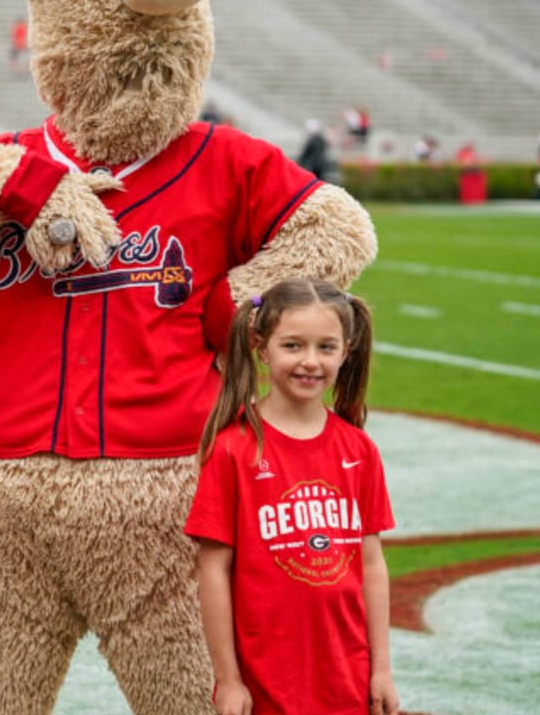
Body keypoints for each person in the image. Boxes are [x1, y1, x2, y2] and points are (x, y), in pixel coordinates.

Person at [187, 277, 397, 715]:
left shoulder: (359, 450)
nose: (310, 361)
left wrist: (382, 671)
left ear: (347, 351)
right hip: (265, 682)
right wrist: (228, 680)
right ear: (262, 348)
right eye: (293, 345)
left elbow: (371, 564)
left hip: (347, 677)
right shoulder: (232, 449)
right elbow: (214, 569)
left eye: (326, 347)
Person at [295, 118, 334, 183]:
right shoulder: (322, 139)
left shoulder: (312, 140)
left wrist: (298, 163)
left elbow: (305, 154)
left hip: (313, 166)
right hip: (321, 165)